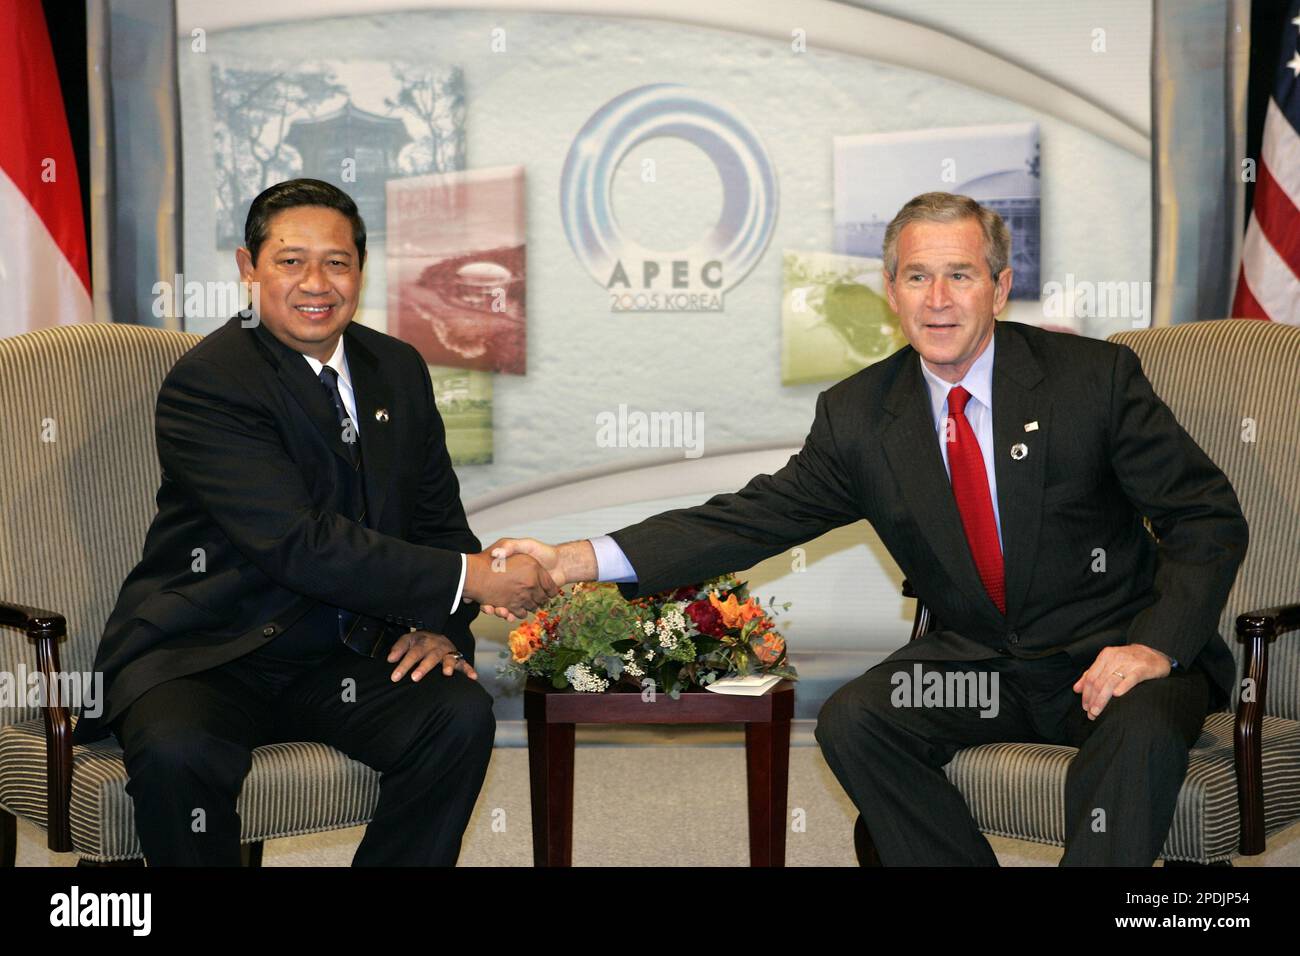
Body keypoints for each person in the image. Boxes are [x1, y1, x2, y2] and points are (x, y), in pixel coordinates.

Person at [483, 192, 1248, 866]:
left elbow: (1205, 517)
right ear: (891, 291)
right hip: (983, 672)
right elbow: (749, 518)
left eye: (961, 274)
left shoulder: (1093, 380)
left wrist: (1153, 645)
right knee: (856, 720)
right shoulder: (860, 415)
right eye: (917, 277)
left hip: (1112, 655)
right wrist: (571, 560)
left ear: (1002, 287)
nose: (938, 299)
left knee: (1139, 737)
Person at [71, 178, 558, 866]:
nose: (315, 282)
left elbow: (437, 523)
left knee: (455, 715)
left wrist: (437, 626)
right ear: (248, 267)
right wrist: (473, 580)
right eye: (290, 260)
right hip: (209, 652)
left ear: (361, 270)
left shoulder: (397, 367)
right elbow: (297, 544)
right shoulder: (211, 380)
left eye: (337, 262)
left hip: (342, 656)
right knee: (180, 752)